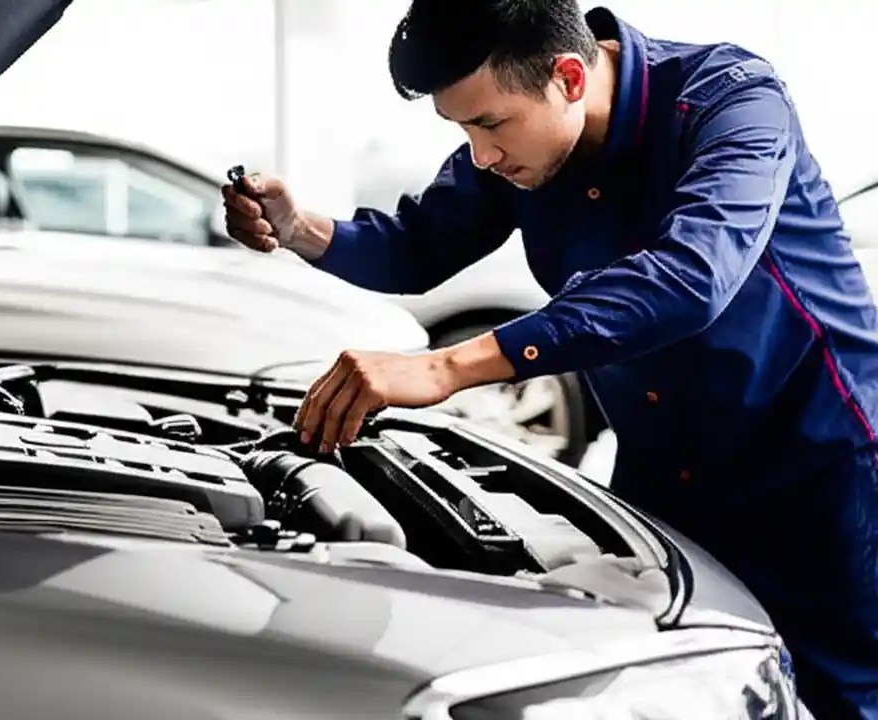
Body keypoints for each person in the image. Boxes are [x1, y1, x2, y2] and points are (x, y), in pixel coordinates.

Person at [221, 1, 878, 716]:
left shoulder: (731, 100)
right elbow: (419, 244)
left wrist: (446, 367)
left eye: (490, 124)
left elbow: (692, 277)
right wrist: (300, 229)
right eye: (462, 128)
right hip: (666, 480)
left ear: (569, 75)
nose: (480, 155)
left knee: (847, 695)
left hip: (820, 474)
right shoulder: (518, 149)